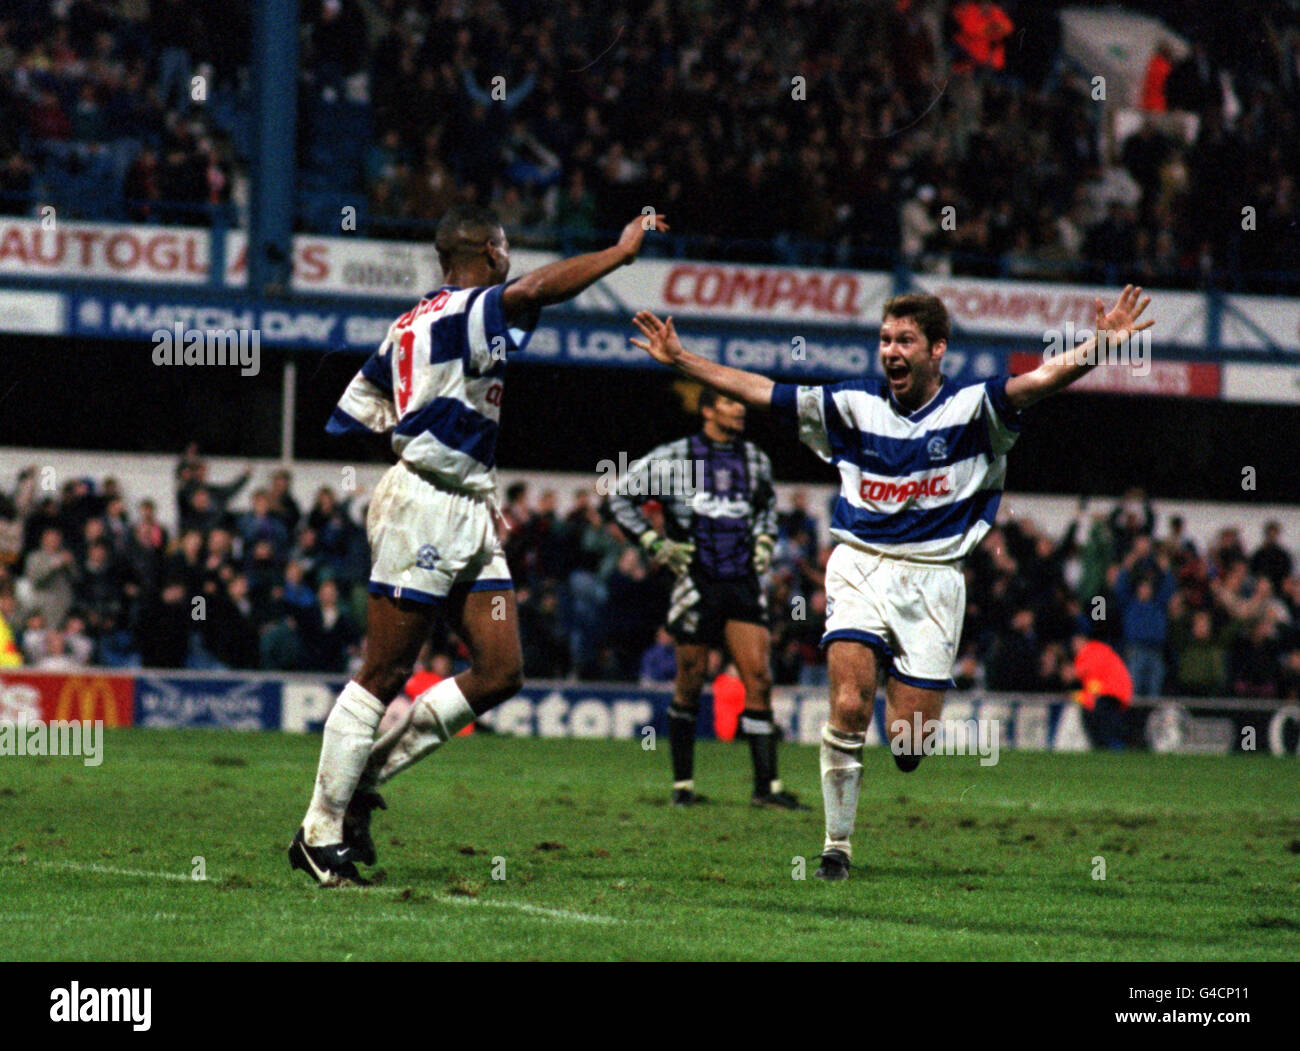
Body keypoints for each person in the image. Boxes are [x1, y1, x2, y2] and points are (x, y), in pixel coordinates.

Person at [629, 283, 1153, 881]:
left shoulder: (974, 408)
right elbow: (762, 391)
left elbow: (1040, 380)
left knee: (908, 745)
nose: (891, 350)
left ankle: (892, 740)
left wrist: (1100, 346)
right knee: (849, 703)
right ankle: (834, 847)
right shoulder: (852, 403)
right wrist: (682, 359)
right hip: (859, 564)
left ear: (937, 349)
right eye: (884, 339)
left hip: (934, 581)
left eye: (905, 340)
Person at [290, 204, 667, 886]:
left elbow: (361, 409)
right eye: (506, 249)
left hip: (462, 503)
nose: (510, 260)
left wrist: (435, 441)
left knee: (501, 669)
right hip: (426, 506)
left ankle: (366, 774)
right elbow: (533, 292)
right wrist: (619, 253)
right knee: (383, 670)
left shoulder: (407, 323)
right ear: (489, 252)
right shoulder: (465, 309)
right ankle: (319, 829)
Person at [607, 389, 805, 809]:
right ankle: (683, 788)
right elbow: (619, 495)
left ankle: (766, 790)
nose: (740, 410)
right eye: (732, 403)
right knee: (691, 681)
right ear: (708, 409)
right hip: (695, 582)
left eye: (742, 404)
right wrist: (650, 541)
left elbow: (767, 507)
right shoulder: (673, 457)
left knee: (760, 678)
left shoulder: (756, 460)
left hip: (742, 582)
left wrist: (767, 538)